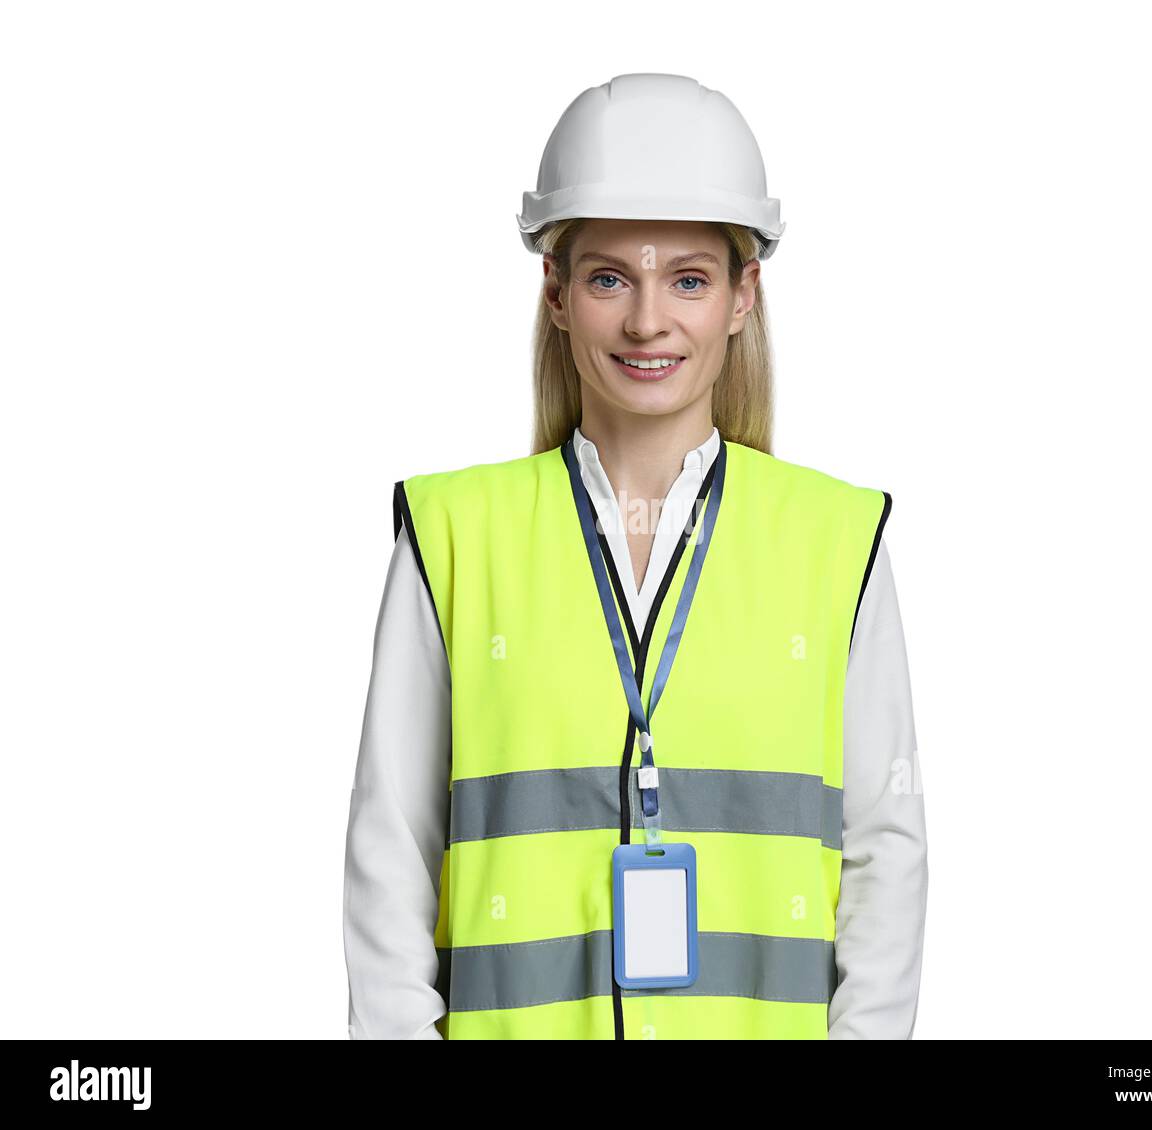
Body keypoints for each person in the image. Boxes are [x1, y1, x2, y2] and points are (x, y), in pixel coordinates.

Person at [342, 72, 928, 1040]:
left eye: (688, 278)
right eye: (610, 275)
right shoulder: (452, 535)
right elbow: (389, 850)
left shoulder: (835, 541)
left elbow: (884, 853)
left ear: (743, 296)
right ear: (557, 293)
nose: (648, 319)